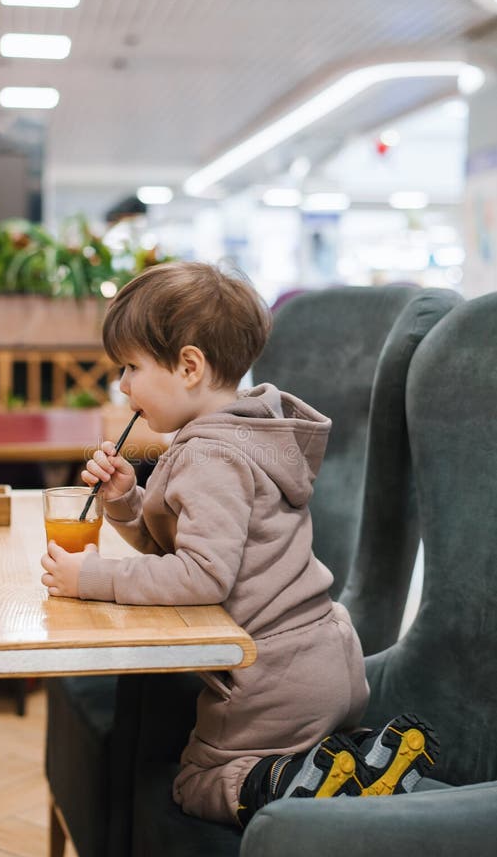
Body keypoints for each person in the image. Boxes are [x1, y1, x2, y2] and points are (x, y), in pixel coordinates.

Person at [40, 261, 439, 827]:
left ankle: (284, 782)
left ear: (188, 365)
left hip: (266, 674)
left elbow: (202, 576)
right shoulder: (248, 435)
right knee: (309, 760)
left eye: (131, 367)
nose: (123, 386)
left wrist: (91, 578)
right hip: (325, 658)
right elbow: (185, 548)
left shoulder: (209, 456)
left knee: (196, 781)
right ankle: (354, 764)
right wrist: (127, 502)